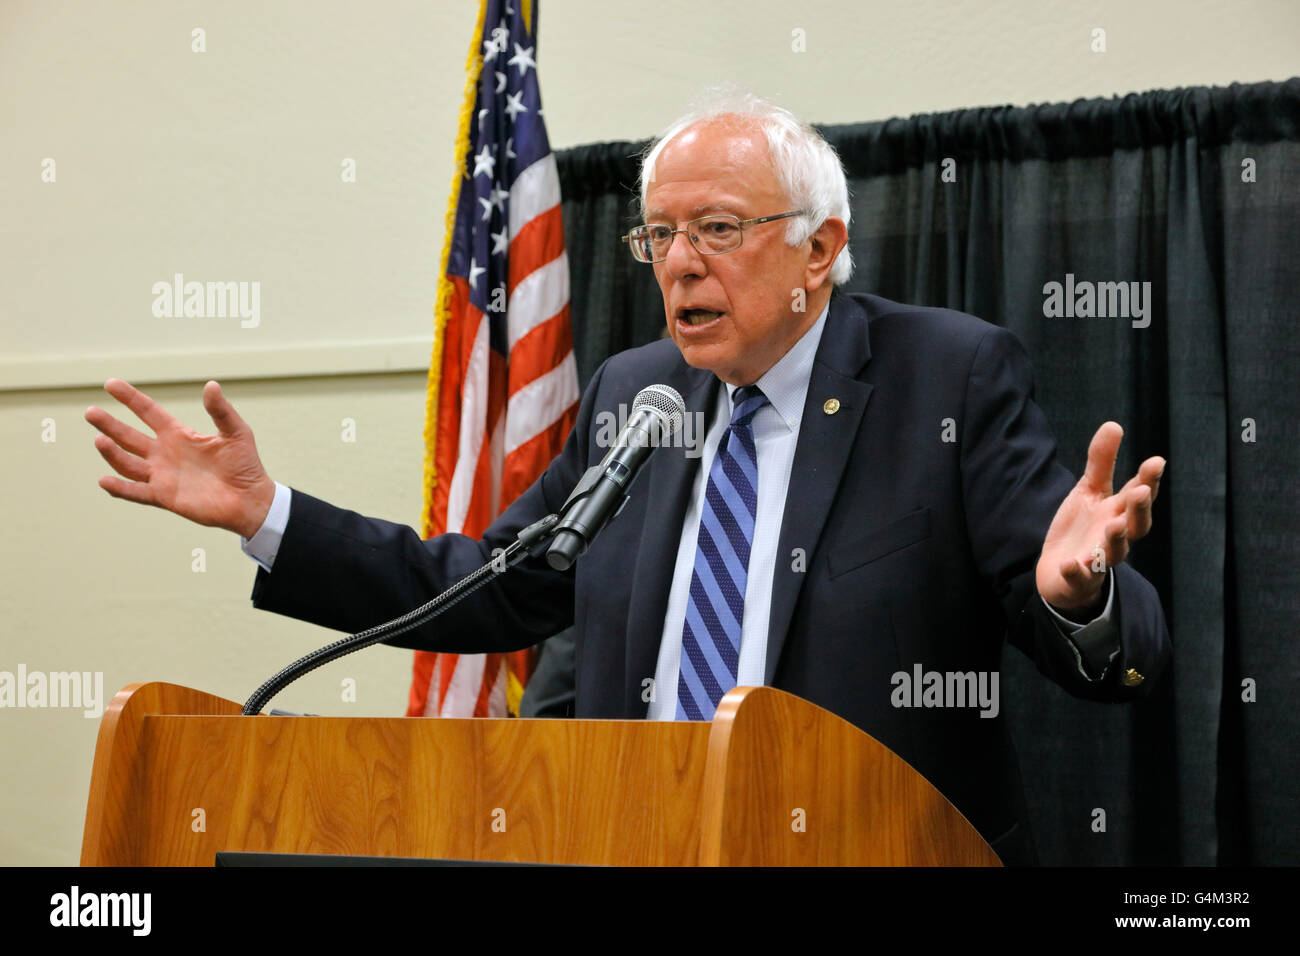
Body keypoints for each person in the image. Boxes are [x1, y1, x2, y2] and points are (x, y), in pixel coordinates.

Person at [85, 90, 1169, 866]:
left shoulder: (948, 373)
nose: (680, 261)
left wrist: (1078, 594)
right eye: (659, 234)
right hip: (625, 840)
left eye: (718, 230)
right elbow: (491, 579)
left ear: (817, 247)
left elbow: (1104, 645)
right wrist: (266, 515)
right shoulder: (634, 393)